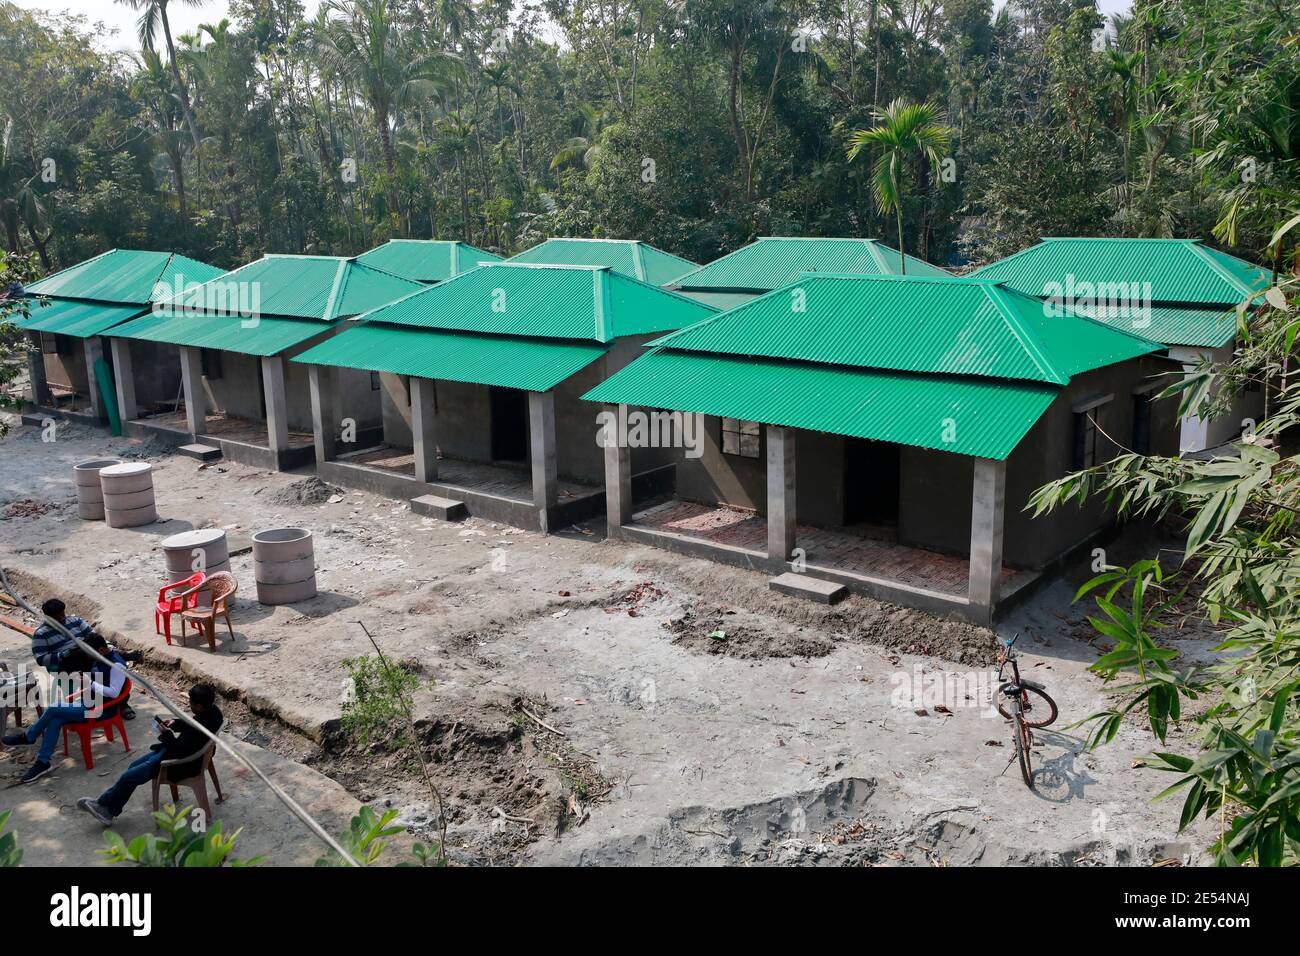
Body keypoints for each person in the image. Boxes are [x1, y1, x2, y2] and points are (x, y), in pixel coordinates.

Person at [76, 684, 223, 825]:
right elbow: (193, 725)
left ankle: (106, 809)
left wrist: (166, 734)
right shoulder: (213, 713)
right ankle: (105, 806)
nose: (189, 705)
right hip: (183, 753)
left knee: (129, 776)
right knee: (133, 766)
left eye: (191, 703)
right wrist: (175, 723)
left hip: (179, 763)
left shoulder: (199, 729)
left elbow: (179, 750)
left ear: (200, 706)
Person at [2, 642, 128, 783]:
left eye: (91, 653)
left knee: (54, 708)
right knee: (55, 720)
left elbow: (114, 693)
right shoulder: (100, 659)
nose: (90, 657)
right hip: (87, 703)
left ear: (102, 649)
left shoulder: (117, 665)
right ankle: (43, 762)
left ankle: (29, 736)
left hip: (99, 711)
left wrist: (90, 683)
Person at [30, 598, 95, 671]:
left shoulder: (76, 621)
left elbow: (93, 636)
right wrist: (64, 654)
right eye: (56, 618)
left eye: (62, 615)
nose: (61, 619)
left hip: (85, 655)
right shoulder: (40, 634)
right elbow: (41, 659)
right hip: (65, 664)